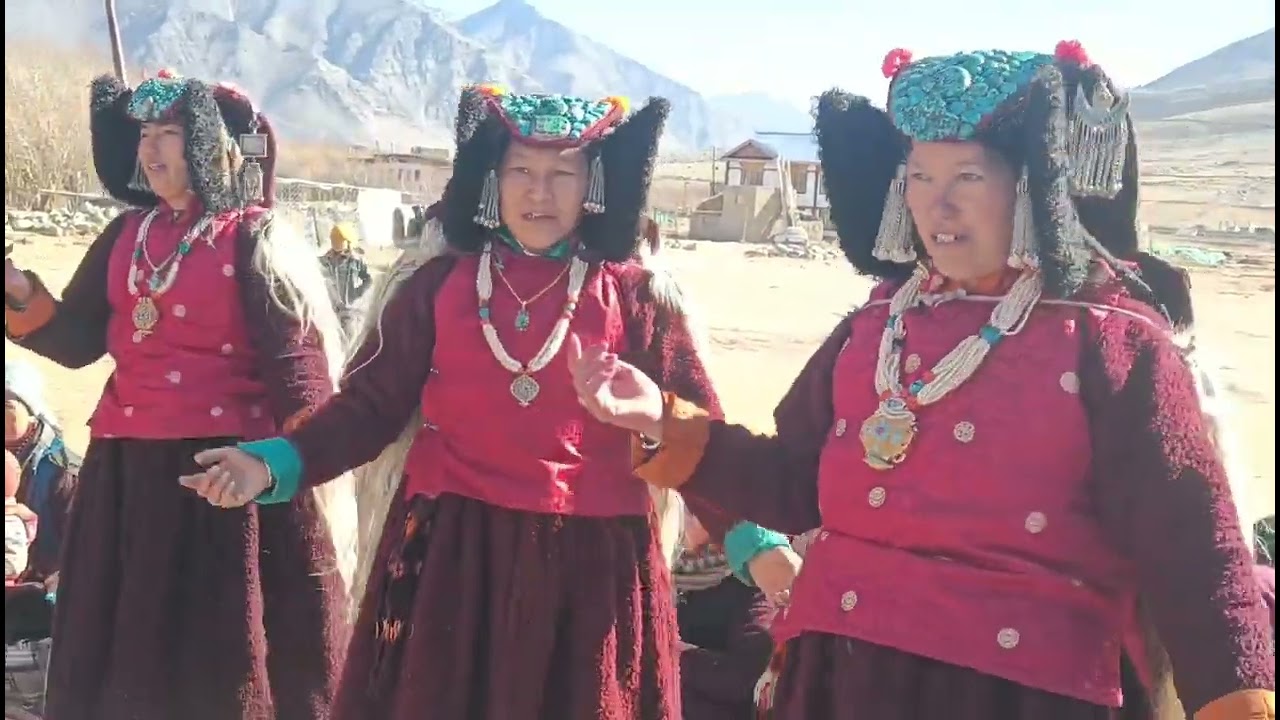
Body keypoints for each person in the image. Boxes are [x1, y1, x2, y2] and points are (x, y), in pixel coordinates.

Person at [569, 42, 1275, 720]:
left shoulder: (1110, 340)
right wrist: (664, 421)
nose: (938, 207)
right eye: (922, 179)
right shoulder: (875, 327)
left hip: (1016, 696)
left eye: (967, 178)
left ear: (1029, 189)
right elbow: (796, 481)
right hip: (838, 681)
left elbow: (1195, 554)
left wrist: (1236, 701)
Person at [180, 84, 794, 719]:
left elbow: (696, 430)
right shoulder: (438, 288)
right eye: (521, 171)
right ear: (492, 182)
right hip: (450, 560)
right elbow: (367, 409)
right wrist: (274, 462)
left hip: (591, 571)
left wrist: (755, 542)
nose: (539, 191)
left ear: (594, 185)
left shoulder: (636, 299)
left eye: (563, 173)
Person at [3, 70, 356, 720]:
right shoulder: (126, 236)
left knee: (219, 669)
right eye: (145, 134)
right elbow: (79, 339)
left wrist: (302, 454)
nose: (154, 149)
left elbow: (299, 372)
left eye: (171, 133)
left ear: (216, 147)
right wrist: (21, 295)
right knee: (127, 665)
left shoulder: (257, 240)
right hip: (126, 482)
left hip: (226, 488)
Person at [675, 509, 775, 719]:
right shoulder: (646, 572)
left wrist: (670, 652)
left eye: (694, 508)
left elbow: (743, 676)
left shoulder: (752, 579)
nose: (687, 516)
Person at [4, 358, 78, 589]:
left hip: (40, 588)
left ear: (32, 412)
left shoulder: (63, 471)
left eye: (7, 408)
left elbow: (81, 543)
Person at [319, 223, 373, 334]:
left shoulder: (357, 261)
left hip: (349, 312)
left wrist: (357, 293)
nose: (341, 254)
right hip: (329, 312)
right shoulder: (323, 262)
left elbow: (368, 280)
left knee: (349, 343)